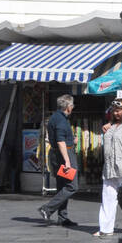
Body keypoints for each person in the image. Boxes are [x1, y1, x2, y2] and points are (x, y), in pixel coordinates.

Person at [38, 94, 79, 226]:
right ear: (68, 107)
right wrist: (67, 160)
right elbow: (61, 141)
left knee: (62, 186)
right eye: (72, 106)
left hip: (56, 153)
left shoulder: (55, 117)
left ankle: (62, 217)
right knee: (72, 186)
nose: (72, 108)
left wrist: (72, 140)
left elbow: (58, 138)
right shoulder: (61, 121)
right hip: (64, 154)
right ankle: (47, 208)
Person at [96, 101, 122, 239]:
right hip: (109, 167)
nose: (116, 113)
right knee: (107, 197)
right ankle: (106, 228)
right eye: (114, 110)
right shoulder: (110, 126)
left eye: (119, 110)